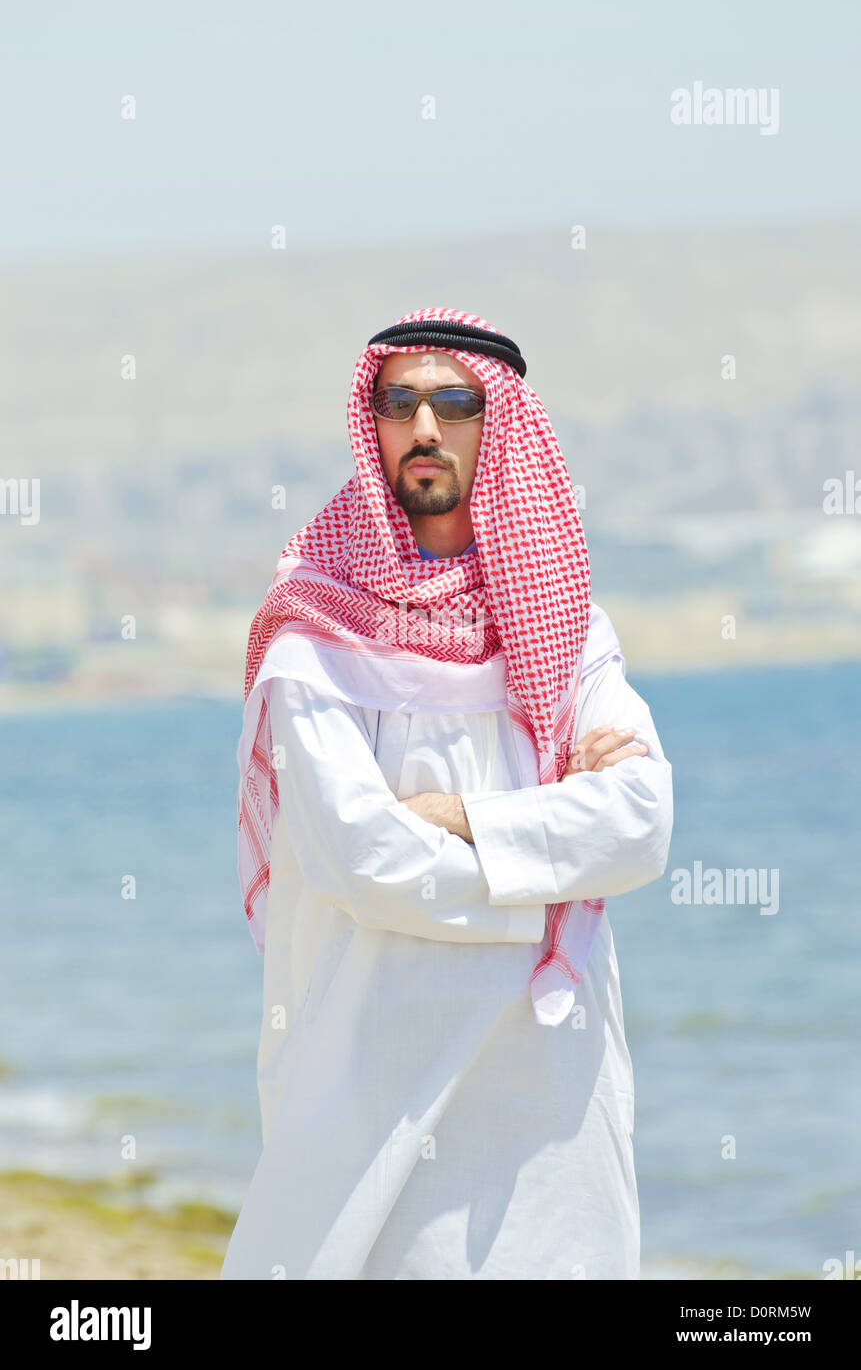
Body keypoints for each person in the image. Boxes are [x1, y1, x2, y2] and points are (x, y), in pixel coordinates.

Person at [220, 307, 673, 1281]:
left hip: (549, 1116)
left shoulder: (568, 634)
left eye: (454, 401)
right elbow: (365, 859)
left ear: (497, 422)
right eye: (400, 401)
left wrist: (468, 821)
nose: (425, 428)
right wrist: (554, 871)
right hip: (371, 1101)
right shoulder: (315, 640)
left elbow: (641, 825)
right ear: (371, 421)